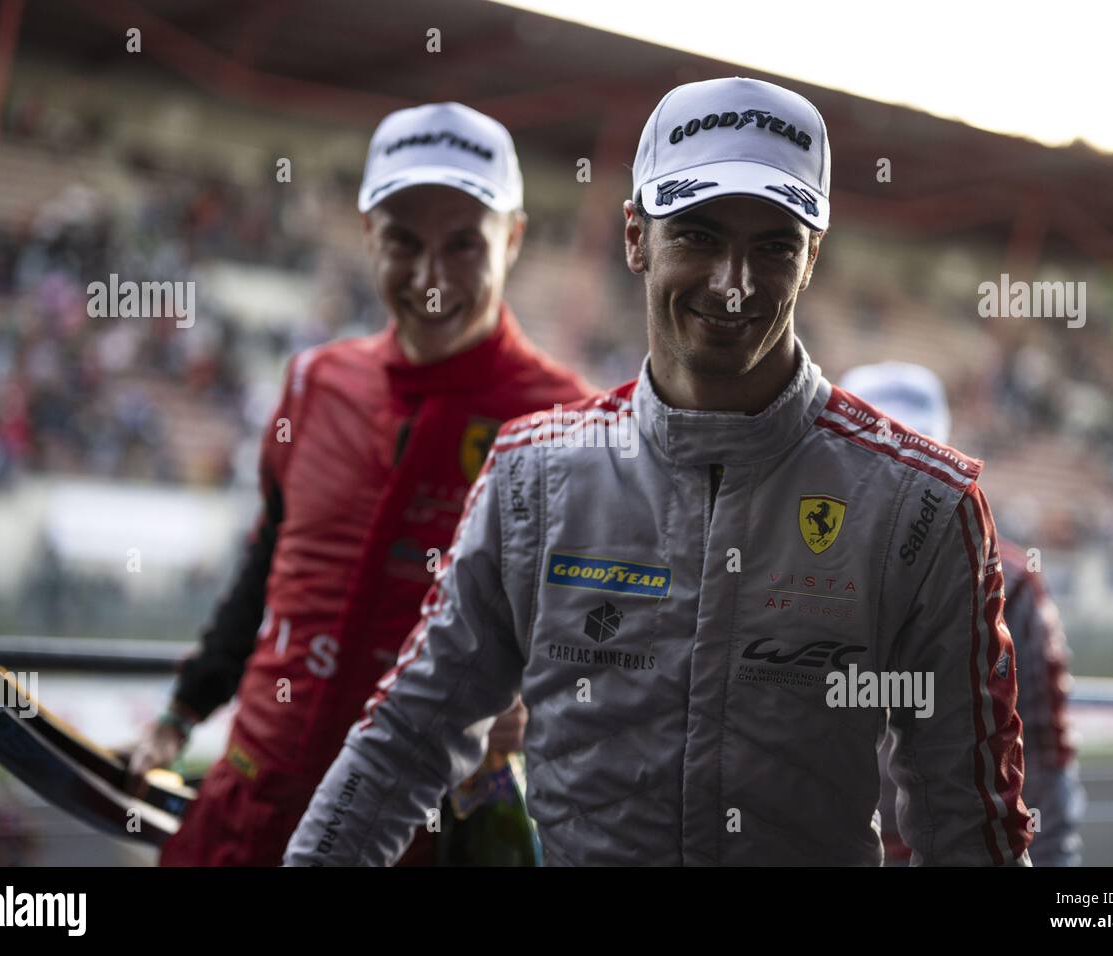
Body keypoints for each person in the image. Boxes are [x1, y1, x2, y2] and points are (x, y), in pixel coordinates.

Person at [285, 77, 1032, 866]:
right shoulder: (531, 478)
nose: (733, 282)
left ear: (812, 257)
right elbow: (409, 737)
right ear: (636, 236)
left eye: (774, 244)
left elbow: (970, 827)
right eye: (700, 235)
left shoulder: (922, 505)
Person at [126, 102, 589, 866]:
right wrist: (177, 715)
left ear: (514, 240)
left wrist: (541, 705)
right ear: (367, 233)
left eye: (464, 244)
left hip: (409, 837)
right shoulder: (315, 381)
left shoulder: (566, 420)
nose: (431, 278)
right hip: (243, 813)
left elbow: (605, 648)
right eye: (404, 241)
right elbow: (264, 573)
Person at [839, 361, 1084, 866]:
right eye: (882, 460)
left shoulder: (1010, 582)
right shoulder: (793, 571)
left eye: (913, 457)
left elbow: (1047, 759)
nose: (898, 483)